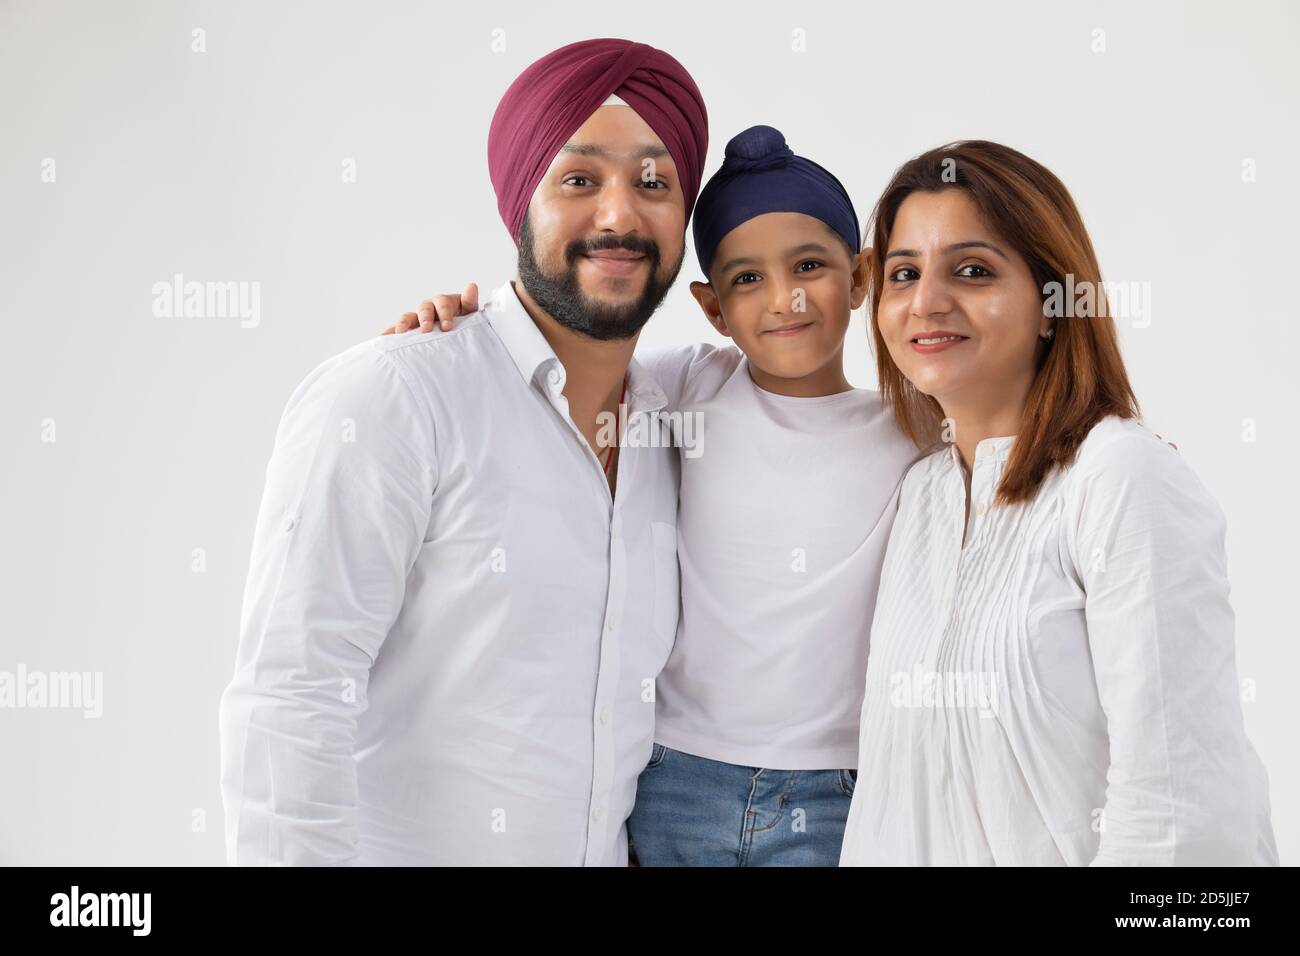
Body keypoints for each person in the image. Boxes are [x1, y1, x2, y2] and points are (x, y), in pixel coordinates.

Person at [218, 38, 708, 865]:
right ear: (521, 200)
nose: (620, 216)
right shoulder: (396, 398)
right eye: (580, 180)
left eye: (654, 182)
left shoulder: (682, 422)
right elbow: (291, 700)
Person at [387, 125, 919, 865]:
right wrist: (460, 326)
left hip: (831, 791)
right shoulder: (687, 386)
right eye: (746, 279)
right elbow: (556, 360)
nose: (784, 298)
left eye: (809, 265)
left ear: (860, 276)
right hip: (674, 780)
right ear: (710, 308)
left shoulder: (916, 426)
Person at [839, 140, 1278, 865]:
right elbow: (895, 796)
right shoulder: (921, 498)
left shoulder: (1120, 476)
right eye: (903, 273)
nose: (926, 301)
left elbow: (1183, 809)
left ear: (1053, 304)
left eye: (972, 271)